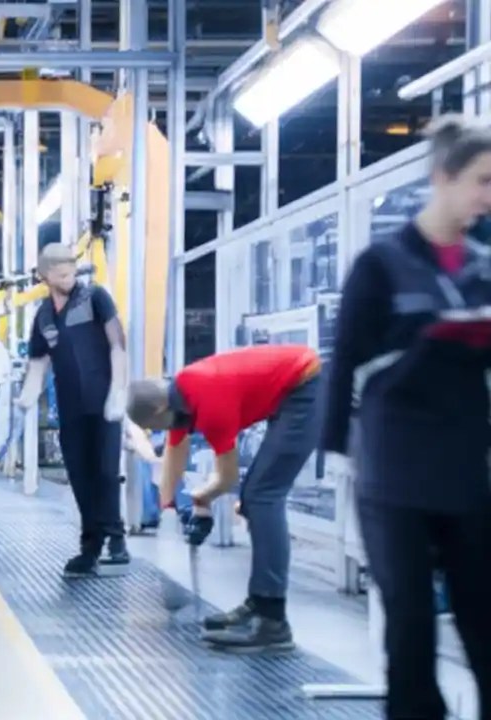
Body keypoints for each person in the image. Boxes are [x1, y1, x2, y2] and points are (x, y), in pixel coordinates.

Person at [321, 115, 491, 719]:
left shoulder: (482, 267)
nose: (487, 197)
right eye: (481, 181)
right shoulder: (383, 265)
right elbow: (344, 363)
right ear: (443, 177)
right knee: (412, 628)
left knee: (484, 622)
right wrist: (337, 452)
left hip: (467, 471)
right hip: (395, 473)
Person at [126, 344, 321, 652]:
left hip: (305, 388)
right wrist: (170, 508)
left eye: (152, 428)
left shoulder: (209, 403)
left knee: (261, 497)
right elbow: (175, 455)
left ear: (159, 412)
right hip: (292, 390)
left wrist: (201, 498)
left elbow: (226, 478)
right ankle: (259, 603)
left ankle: (273, 621)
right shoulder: (181, 394)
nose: (157, 433)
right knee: (257, 495)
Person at [17, 242, 130, 577]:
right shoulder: (44, 316)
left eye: (71, 272)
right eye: (61, 274)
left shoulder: (95, 298)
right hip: (70, 409)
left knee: (106, 472)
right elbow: (38, 361)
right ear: (45, 276)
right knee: (80, 477)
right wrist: (29, 392)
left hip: (104, 404)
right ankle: (89, 547)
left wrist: (118, 390)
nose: (68, 278)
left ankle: (117, 540)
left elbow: (118, 345)